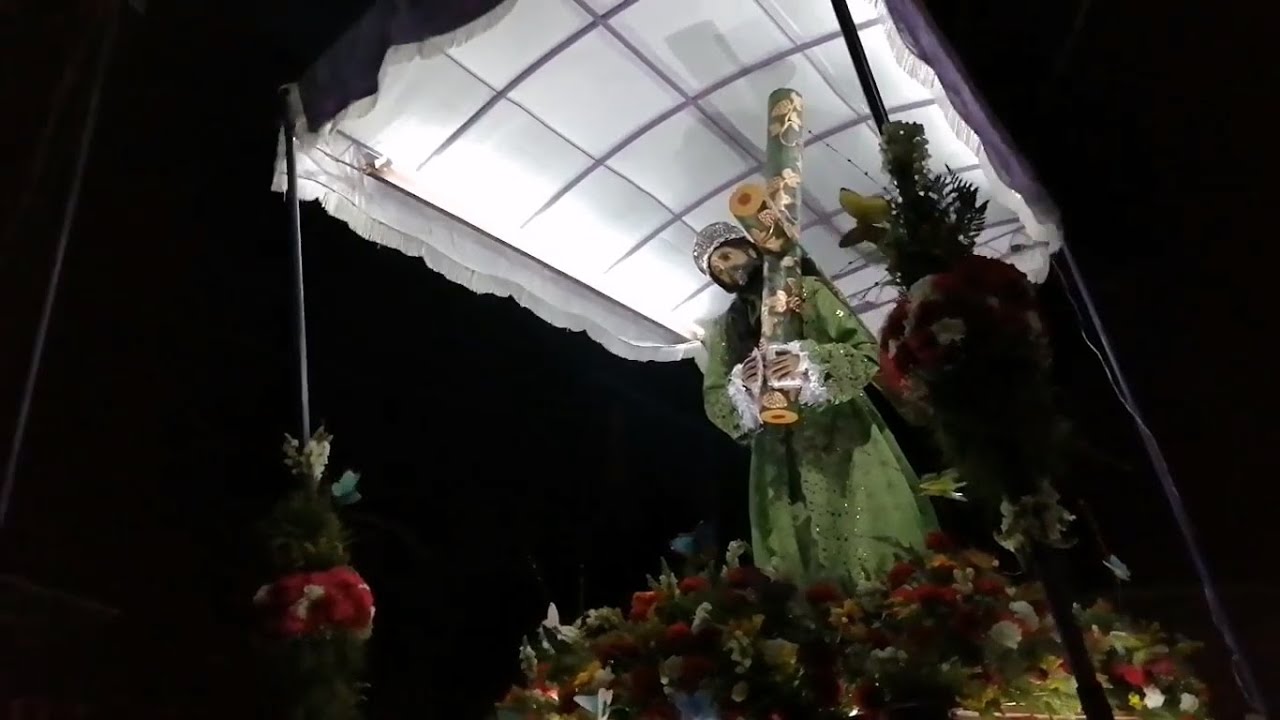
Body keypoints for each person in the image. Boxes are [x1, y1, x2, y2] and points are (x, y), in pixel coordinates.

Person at [694, 221, 937, 586]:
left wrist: (807, 362)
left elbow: (863, 351)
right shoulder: (725, 329)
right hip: (778, 454)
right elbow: (715, 397)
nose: (725, 269)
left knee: (873, 535)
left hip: (843, 435)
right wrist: (743, 389)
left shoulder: (806, 291)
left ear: (749, 248)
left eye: (726, 256)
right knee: (800, 555)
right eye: (716, 270)